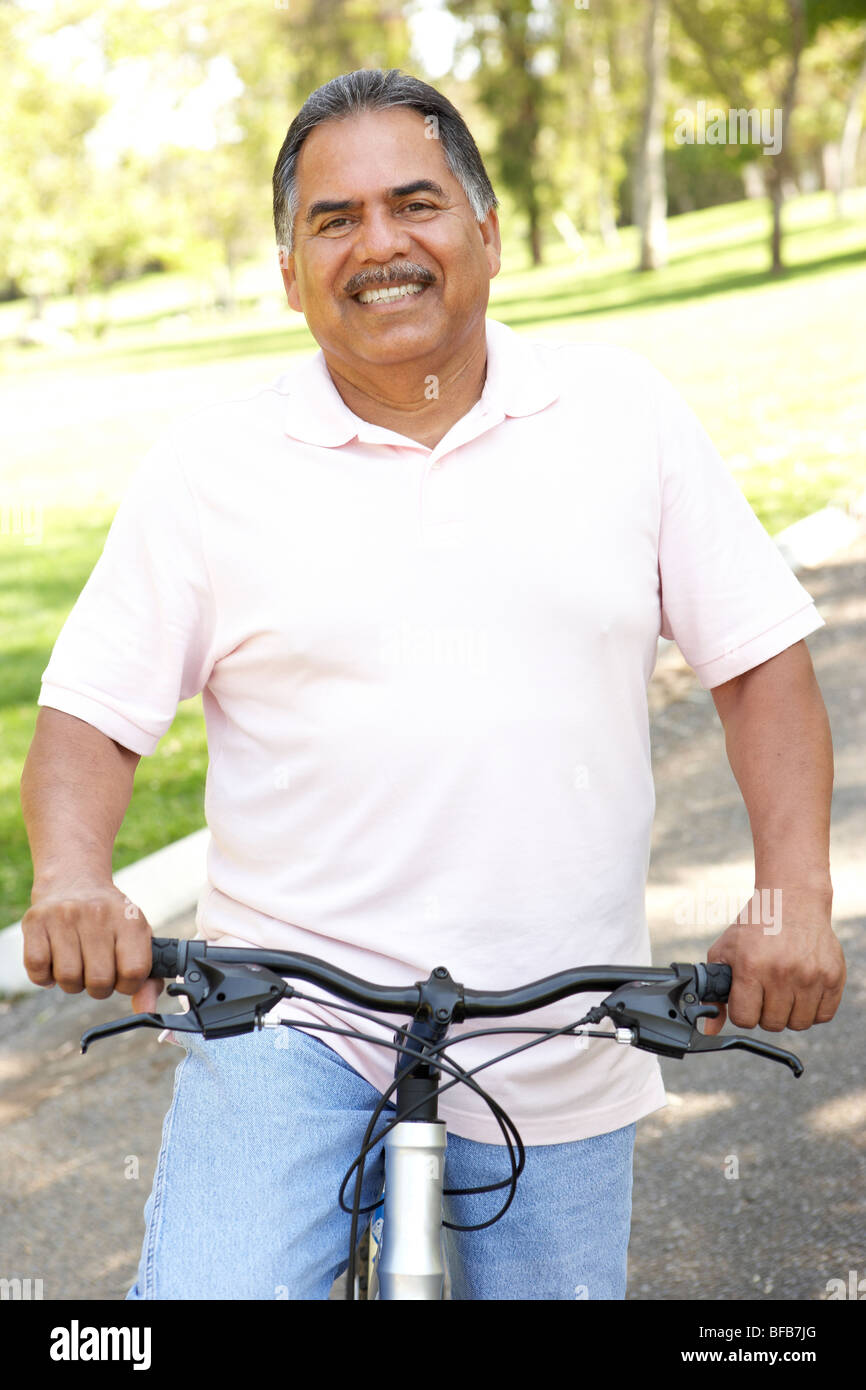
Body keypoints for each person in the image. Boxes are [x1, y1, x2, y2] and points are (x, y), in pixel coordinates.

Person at [20, 69, 845, 1301]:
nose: (380, 242)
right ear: (290, 271)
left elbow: (760, 670)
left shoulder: (624, 417)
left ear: (487, 233)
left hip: (561, 1020)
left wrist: (791, 899)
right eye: (333, 218)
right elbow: (88, 719)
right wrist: (75, 877)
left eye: (414, 202)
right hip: (286, 1020)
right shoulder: (208, 471)